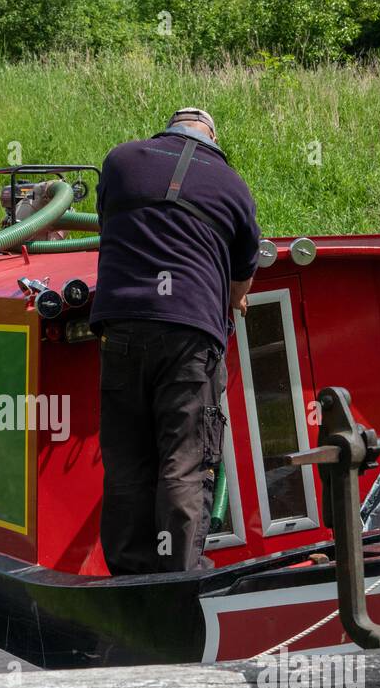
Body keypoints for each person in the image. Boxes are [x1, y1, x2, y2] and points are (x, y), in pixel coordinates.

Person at [90, 107, 261, 574]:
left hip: (121, 325)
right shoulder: (233, 186)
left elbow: (112, 229)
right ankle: (177, 578)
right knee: (184, 463)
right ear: (212, 138)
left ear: (167, 129)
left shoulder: (121, 160)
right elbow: (240, 283)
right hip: (190, 336)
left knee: (127, 461)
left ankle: (128, 580)